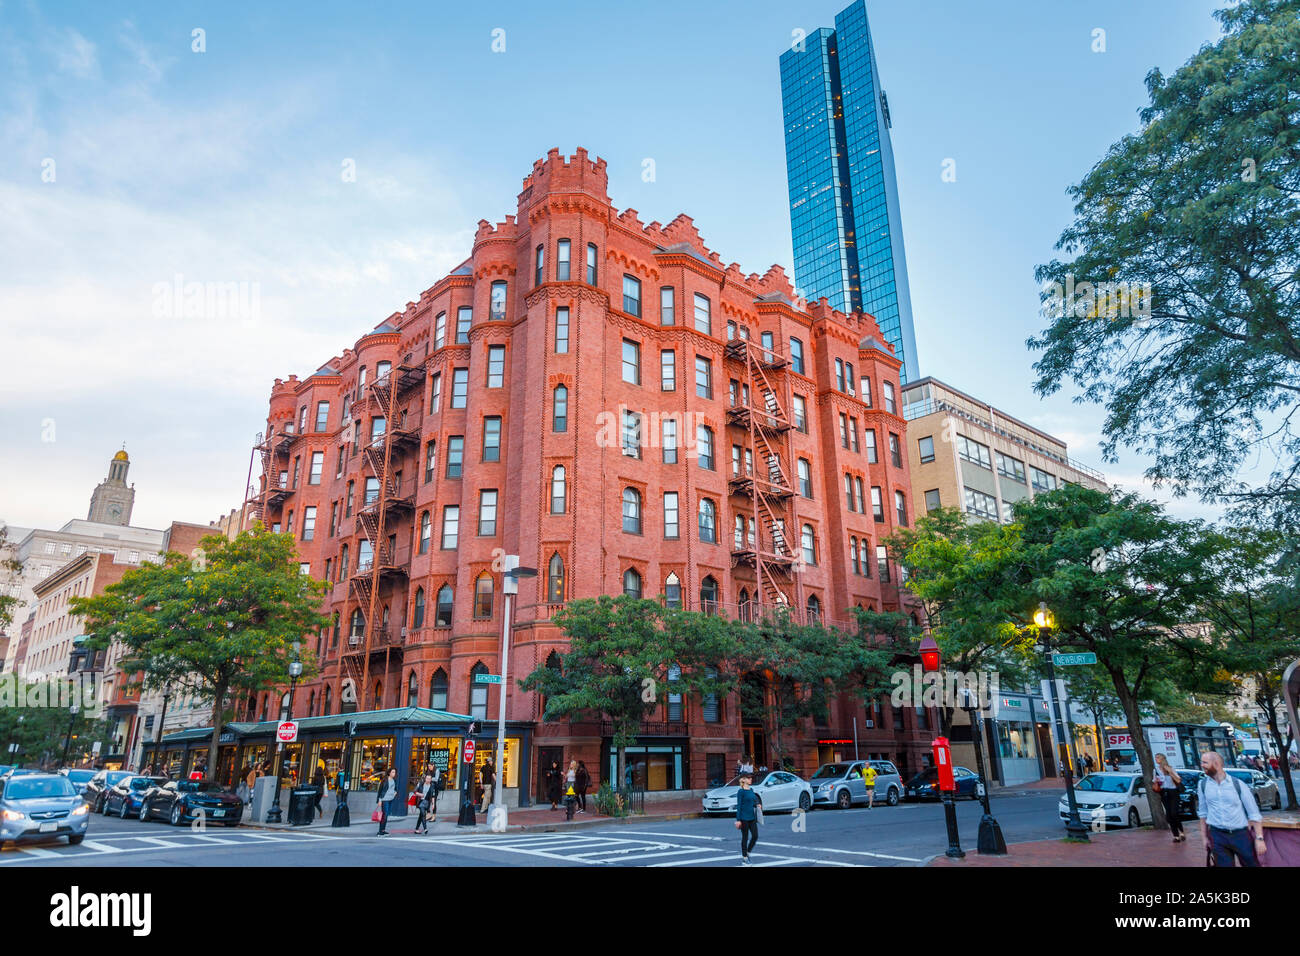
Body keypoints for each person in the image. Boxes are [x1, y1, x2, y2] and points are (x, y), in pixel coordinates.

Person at [1197, 751, 1264, 867]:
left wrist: (1259, 838)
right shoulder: (1202, 785)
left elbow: (1254, 813)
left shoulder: (1238, 784)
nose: (1202, 765)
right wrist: (1204, 838)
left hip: (1240, 835)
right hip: (1217, 835)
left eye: (1205, 762)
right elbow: (1203, 813)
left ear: (1216, 764)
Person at [1153, 753, 1184, 843]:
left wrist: (1170, 772)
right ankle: (1176, 836)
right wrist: (1157, 781)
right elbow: (1154, 781)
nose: (1156, 759)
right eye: (1155, 758)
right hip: (1164, 792)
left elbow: (1178, 780)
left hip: (1173, 792)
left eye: (1158, 757)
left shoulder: (1169, 768)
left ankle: (1181, 831)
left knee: (1174, 813)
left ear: (1163, 758)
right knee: (1169, 815)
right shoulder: (1156, 770)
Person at [734, 771, 762, 865]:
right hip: (743, 818)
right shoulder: (741, 791)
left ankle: (748, 853)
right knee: (745, 837)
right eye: (749, 778)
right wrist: (738, 820)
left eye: (751, 778)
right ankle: (745, 858)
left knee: (755, 836)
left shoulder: (751, 790)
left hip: (752, 817)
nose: (751, 779)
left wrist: (757, 804)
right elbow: (739, 806)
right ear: (744, 779)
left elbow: (753, 800)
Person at [375, 768, 397, 836]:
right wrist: (379, 800)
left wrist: (394, 794)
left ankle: (383, 830)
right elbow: (380, 791)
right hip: (384, 800)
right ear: (389, 773)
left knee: (386, 815)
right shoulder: (385, 780)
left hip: (390, 799)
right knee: (384, 815)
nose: (394, 774)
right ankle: (380, 832)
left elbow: (395, 789)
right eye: (393, 772)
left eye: (395, 772)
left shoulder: (394, 780)